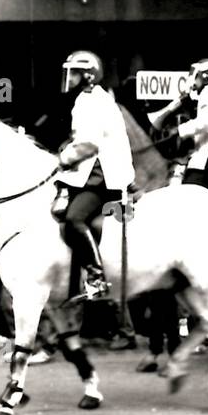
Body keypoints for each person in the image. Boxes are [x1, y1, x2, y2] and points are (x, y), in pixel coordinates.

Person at [55, 50, 138, 302]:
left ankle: (95, 276)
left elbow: (87, 144)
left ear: (87, 76)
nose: (69, 78)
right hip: (100, 172)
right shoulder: (97, 98)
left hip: (101, 175)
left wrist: (62, 159)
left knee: (73, 219)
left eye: (75, 73)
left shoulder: (88, 100)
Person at [155, 59, 208, 194]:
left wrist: (179, 130)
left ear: (205, 77)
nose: (194, 82)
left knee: (190, 193)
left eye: (197, 77)